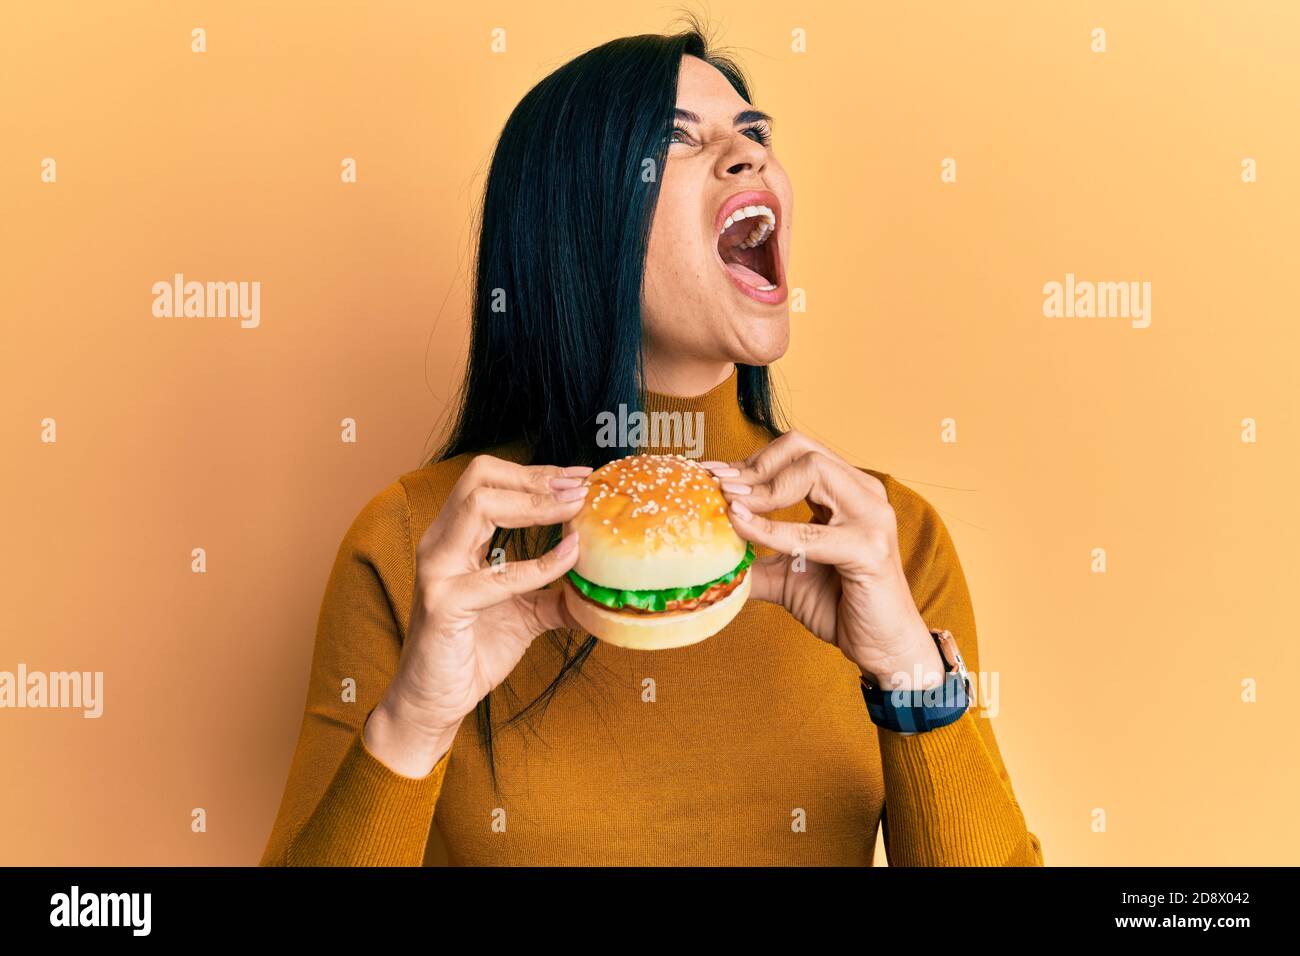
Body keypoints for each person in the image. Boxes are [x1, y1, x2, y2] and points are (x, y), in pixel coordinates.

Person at [259, 17, 1044, 866]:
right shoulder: (422, 545)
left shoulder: (877, 539)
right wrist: (413, 723)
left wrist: (911, 681)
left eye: (755, 134)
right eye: (677, 139)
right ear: (576, 219)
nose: (750, 155)